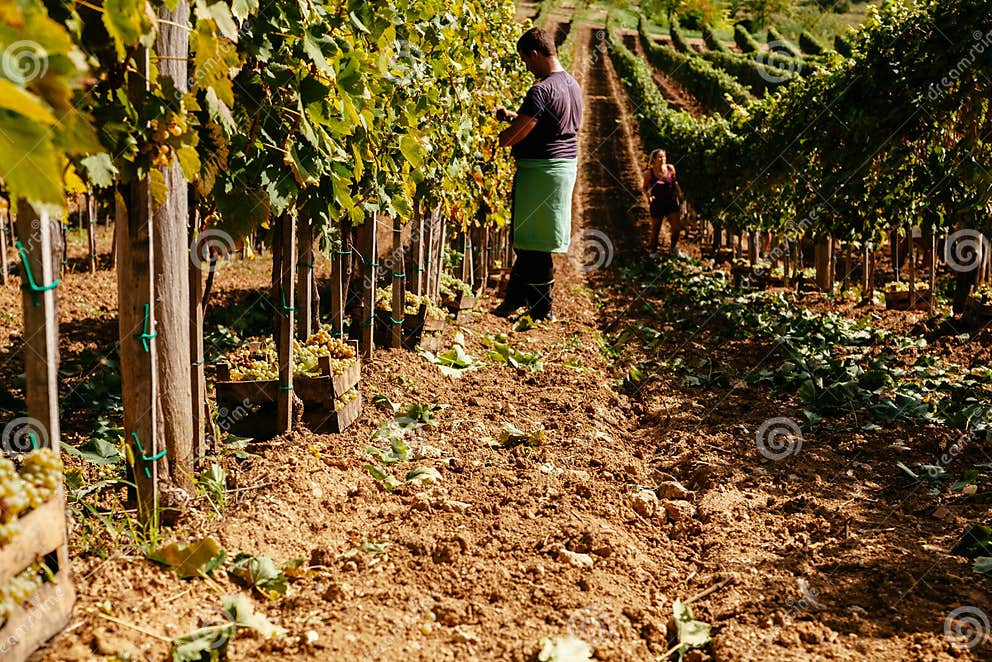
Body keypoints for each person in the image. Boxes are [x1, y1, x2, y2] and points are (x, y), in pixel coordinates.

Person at [492, 27, 583, 321]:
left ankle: (543, 309)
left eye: (525, 60)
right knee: (530, 239)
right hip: (562, 169)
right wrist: (512, 116)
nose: (526, 68)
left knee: (534, 244)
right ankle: (514, 300)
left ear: (534, 54)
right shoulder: (571, 84)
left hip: (541, 172)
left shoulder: (541, 90)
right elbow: (548, 123)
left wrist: (495, 138)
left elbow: (515, 135)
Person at [642, 148, 684, 257]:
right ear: (654, 159)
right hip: (657, 203)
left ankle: (673, 248)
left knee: (676, 228)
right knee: (656, 229)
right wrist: (649, 196)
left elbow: (674, 182)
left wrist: (679, 192)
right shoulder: (649, 173)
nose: (663, 159)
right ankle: (653, 252)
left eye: (664, 156)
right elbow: (645, 188)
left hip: (671, 202)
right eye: (660, 157)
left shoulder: (670, 168)